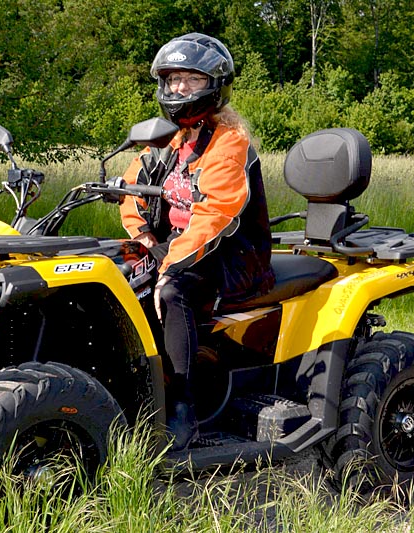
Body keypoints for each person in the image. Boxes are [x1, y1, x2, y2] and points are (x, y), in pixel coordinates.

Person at [119, 33, 274, 451]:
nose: (179, 88)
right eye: (173, 79)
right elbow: (133, 188)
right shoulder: (170, 138)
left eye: (191, 79)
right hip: (184, 245)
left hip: (233, 257)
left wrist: (168, 263)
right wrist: (145, 238)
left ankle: (184, 410)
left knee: (171, 291)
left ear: (215, 85)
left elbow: (216, 214)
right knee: (121, 275)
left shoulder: (230, 142)